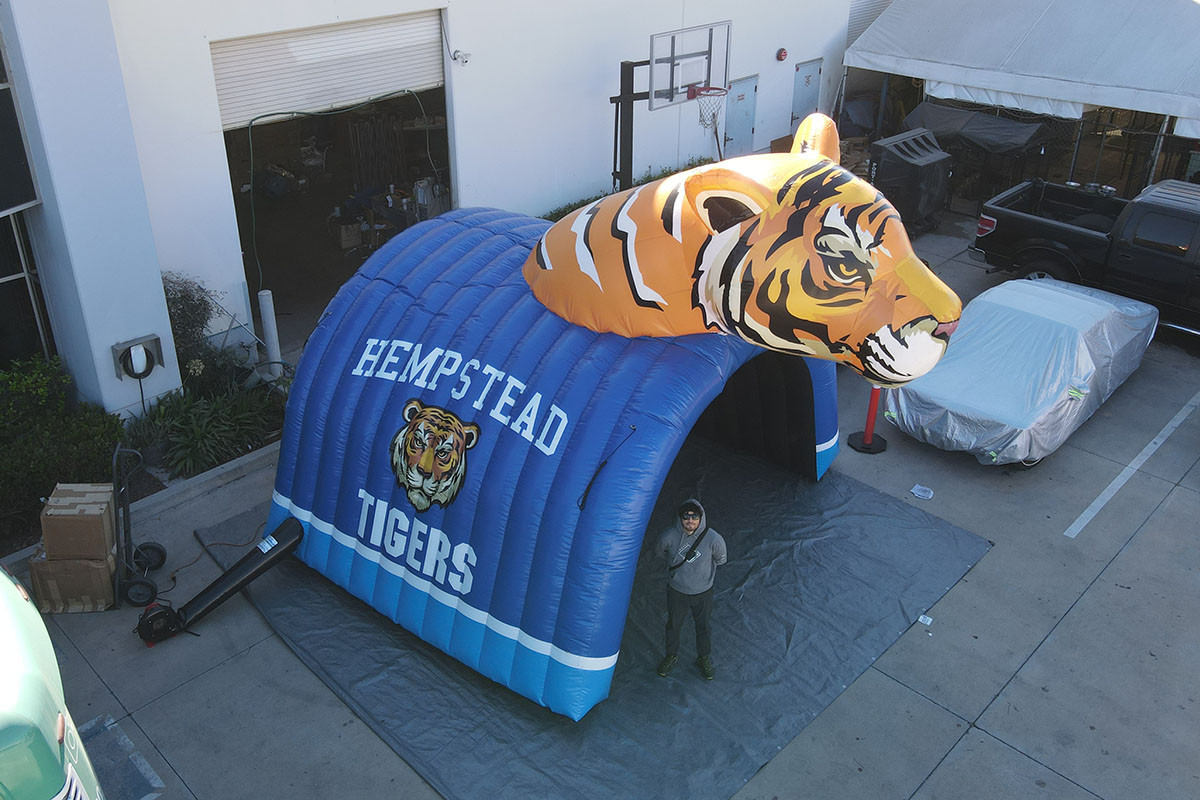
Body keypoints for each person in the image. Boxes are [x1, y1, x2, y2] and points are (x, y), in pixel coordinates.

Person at [656, 498, 727, 680]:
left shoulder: (713, 538)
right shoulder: (668, 536)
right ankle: (671, 655)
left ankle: (703, 657)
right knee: (673, 626)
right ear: (680, 519)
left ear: (701, 518)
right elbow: (660, 553)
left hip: (703, 593)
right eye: (686, 517)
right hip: (677, 592)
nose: (690, 521)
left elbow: (721, 559)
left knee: (703, 626)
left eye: (694, 517)